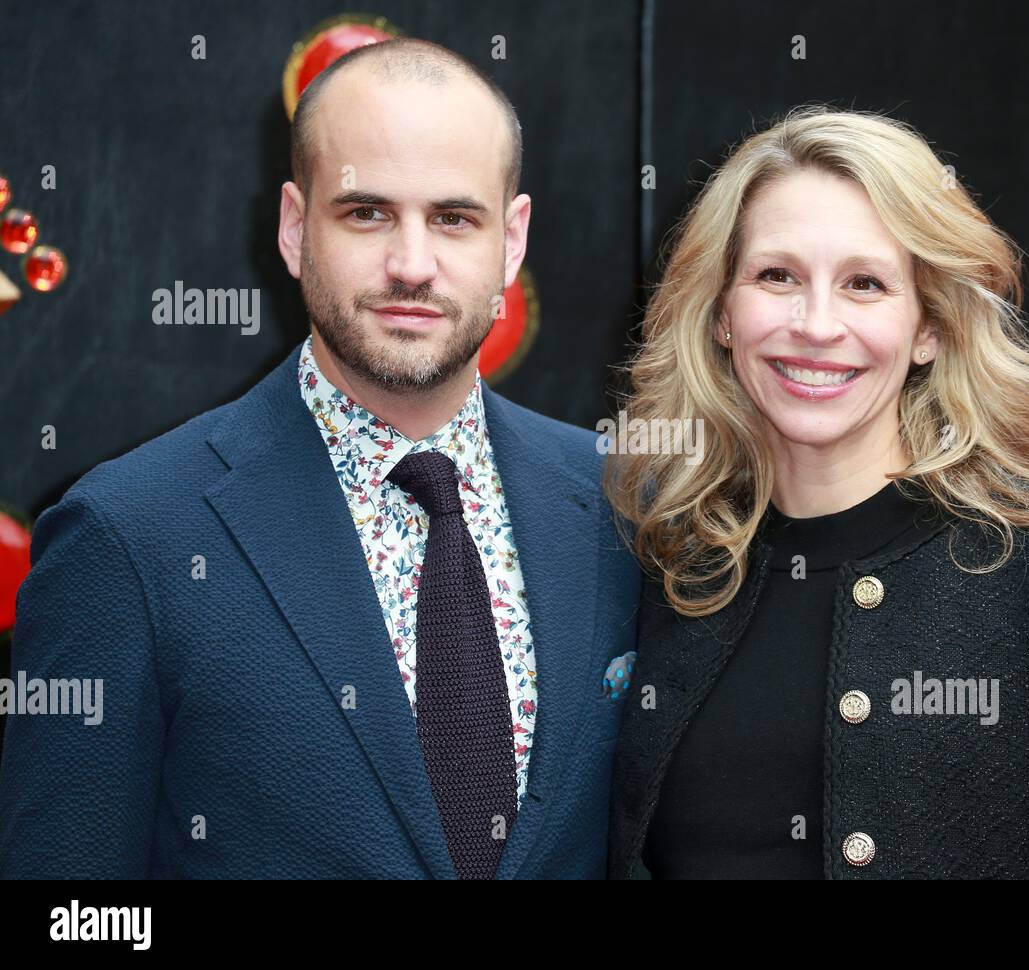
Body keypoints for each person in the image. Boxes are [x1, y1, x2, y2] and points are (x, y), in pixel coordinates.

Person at [0, 38, 639, 879]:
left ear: (512, 241)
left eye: (454, 218)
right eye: (366, 212)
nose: (412, 265)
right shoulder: (129, 534)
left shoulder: (624, 501)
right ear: (296, 229)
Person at [604, 106, 1029, 879]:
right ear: (723, 314)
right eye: (777, 276)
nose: (816, 324)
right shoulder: (663, 565)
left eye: (866, 284)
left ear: (929, 327)